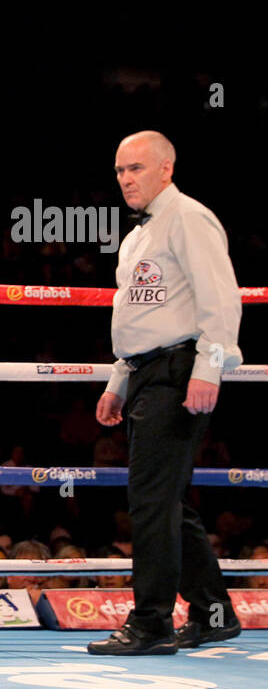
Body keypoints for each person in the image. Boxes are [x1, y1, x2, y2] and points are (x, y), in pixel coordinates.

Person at [91, 131, 243, 655]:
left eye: (135, 168)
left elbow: (221, 298)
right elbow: (138, 317)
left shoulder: (189, 218)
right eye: (119, 170)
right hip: (146, 373)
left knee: (151, 500)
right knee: (166, 499)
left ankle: (151, 623)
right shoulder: (138, 237)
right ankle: (213, 613)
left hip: (179, 371)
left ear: (166, 169)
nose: (125, 179)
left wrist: (210, 368)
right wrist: (119, 380)